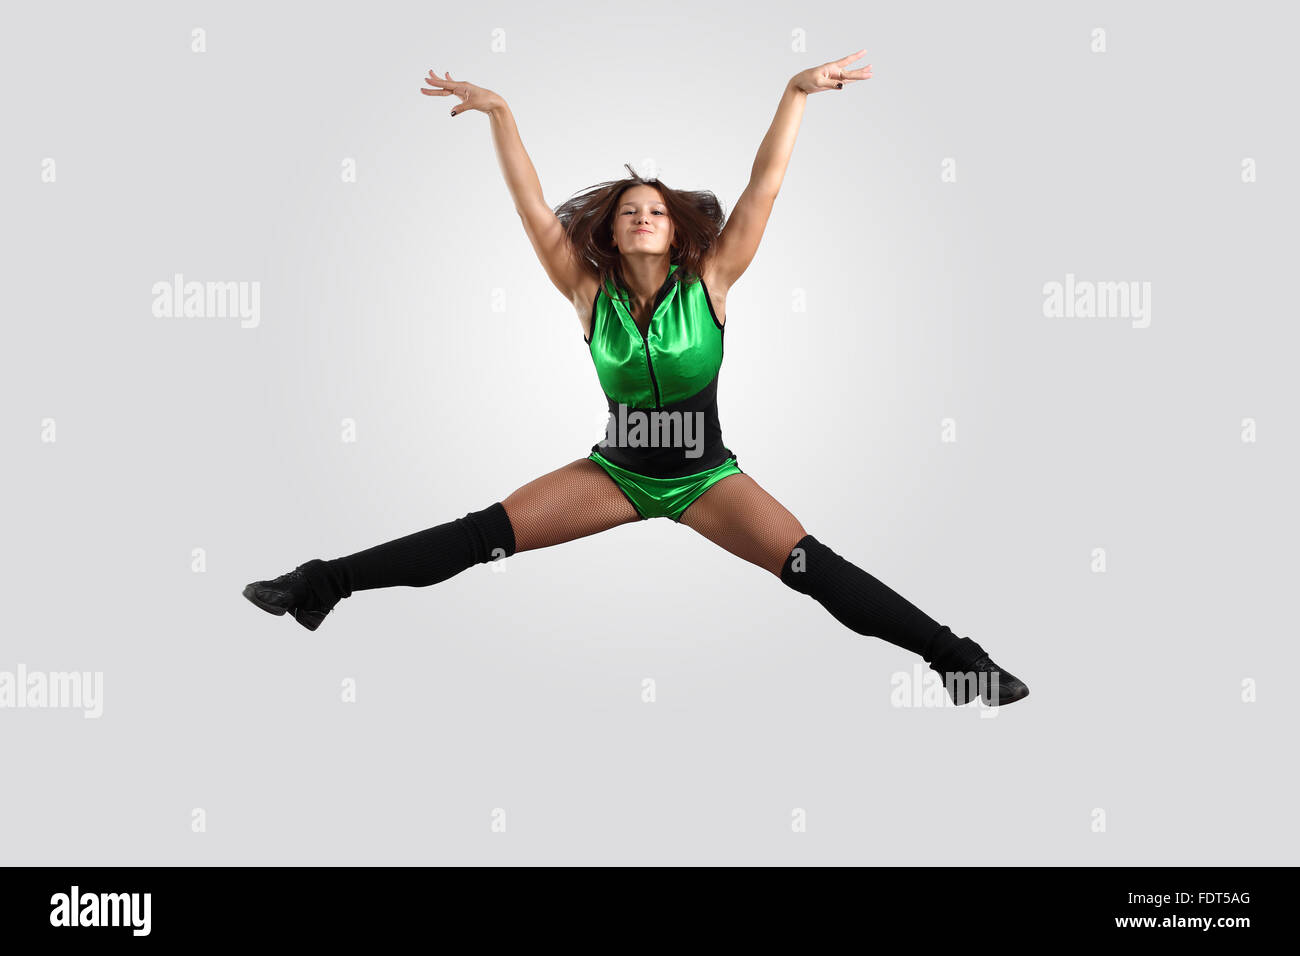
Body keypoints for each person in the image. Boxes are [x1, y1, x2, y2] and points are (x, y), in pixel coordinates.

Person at [243, 51, 1029, 707]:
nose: (642, 215)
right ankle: (321, 584)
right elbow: (530, 207)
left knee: (811, 569)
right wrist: (499, 112)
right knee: (480, 538)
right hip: (616, 473)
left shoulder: (713, 281)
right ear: (611, 232)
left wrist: (795, 94)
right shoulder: (588, 292)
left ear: (677, 226)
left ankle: (959, 662)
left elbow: (765, 186)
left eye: (654, 208)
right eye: (628, 211)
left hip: (704, 478)